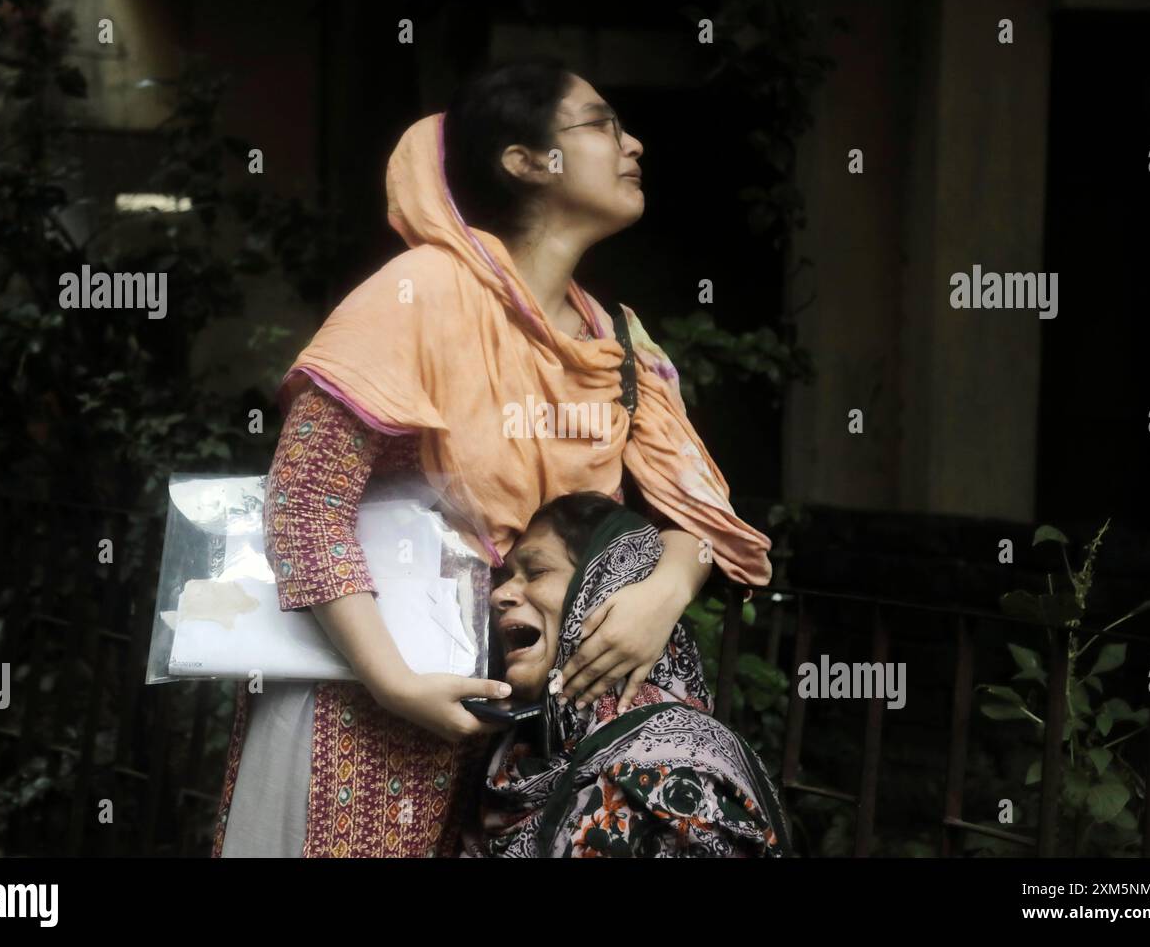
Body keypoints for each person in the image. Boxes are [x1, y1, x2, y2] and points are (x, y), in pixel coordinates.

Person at [212, 57, 773, 858]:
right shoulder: (418, 293)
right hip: (367, 707)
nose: (634, 143)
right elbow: (304, 503)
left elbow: (697, 515)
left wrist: (668, 588)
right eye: (601, 124)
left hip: (532, 729)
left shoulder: (616, 343)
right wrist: (394, 683)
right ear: (523, 159)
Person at [459, 492, 792, 857]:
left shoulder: (679, 775)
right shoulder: (516, 756)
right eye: (505, 577)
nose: (499, 594)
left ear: (603, 590)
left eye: (536, 572)